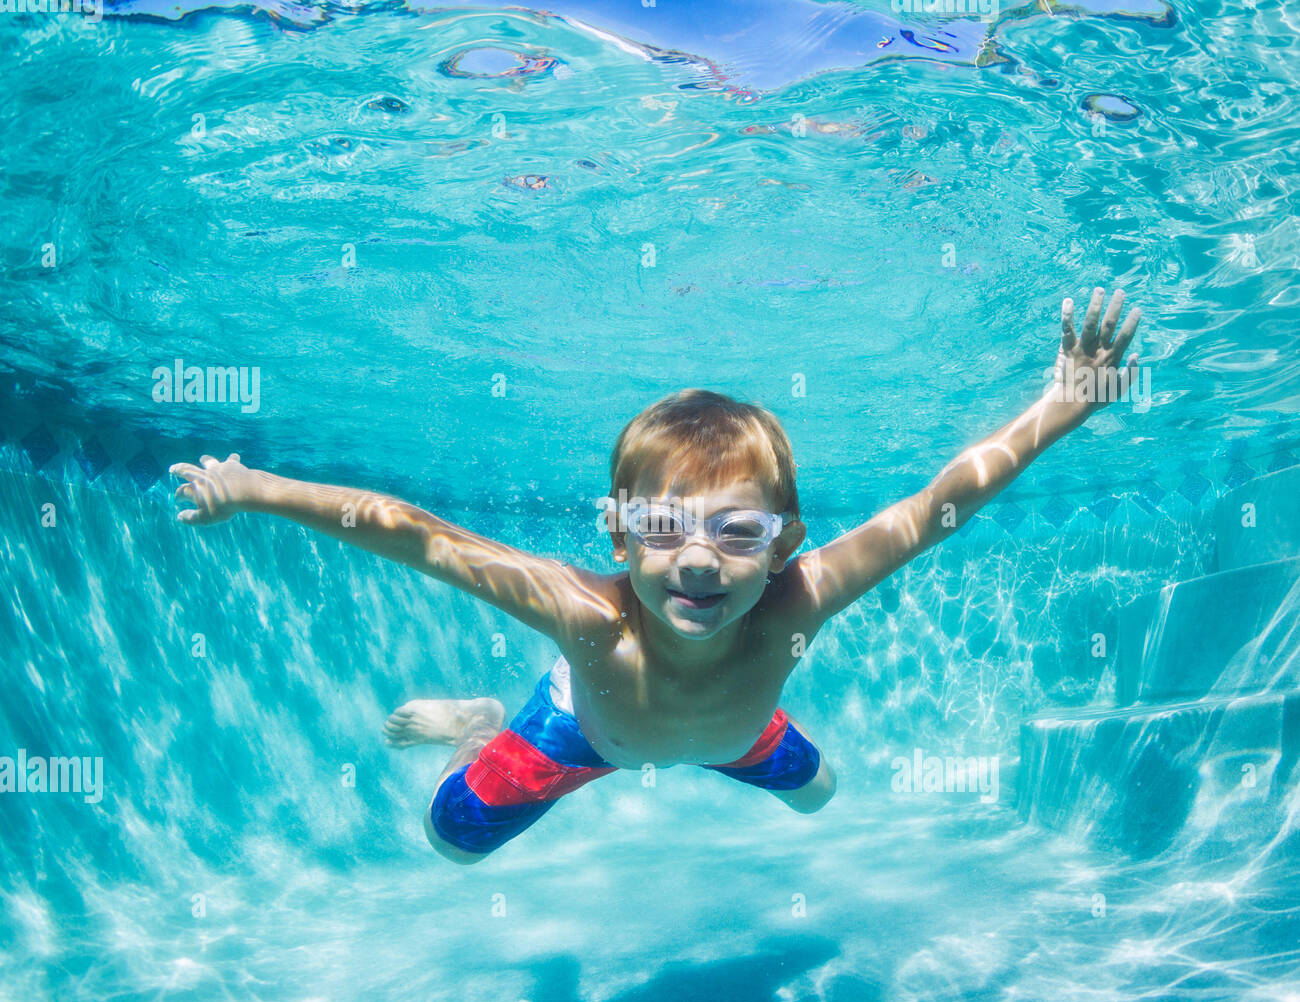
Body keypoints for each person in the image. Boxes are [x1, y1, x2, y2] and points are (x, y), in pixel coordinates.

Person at [170, 287, 1141, 863]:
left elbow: (933, 508)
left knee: (824, 793)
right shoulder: (585, 618)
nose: (697, 558)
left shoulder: (799, 599)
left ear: (784, 544)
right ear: (619, 538)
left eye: (736, 531)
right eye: (663, 529)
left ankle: (735, 737)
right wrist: (256, 488)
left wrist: (1062, 405)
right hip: (582, 732)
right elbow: (415, 535)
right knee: (448, 839)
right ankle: (477, 722)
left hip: (733, 732)